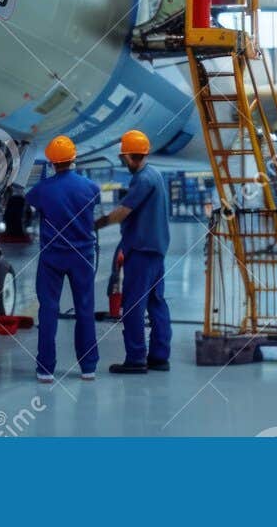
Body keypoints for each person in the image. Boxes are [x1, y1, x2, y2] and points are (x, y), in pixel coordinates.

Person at [94, 129, 172, 374]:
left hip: (141, 251)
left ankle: (136, 358)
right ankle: (159, 357)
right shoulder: (155, 175)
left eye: (122, 158)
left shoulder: (142, 179)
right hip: (156, 250)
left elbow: (123, 212)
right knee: (156, 302)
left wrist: (98, 223)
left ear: (128, 157)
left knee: (133, 305)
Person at [24, 135, 101, 383]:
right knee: (85, 310)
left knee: (49, 309)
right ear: (74, 158)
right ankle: (88, 367)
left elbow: (29, 200)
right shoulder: (90, 188)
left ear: (51, 162)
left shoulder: (42, 190)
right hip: (83, 256)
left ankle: (45, 369)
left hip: (52, 258)